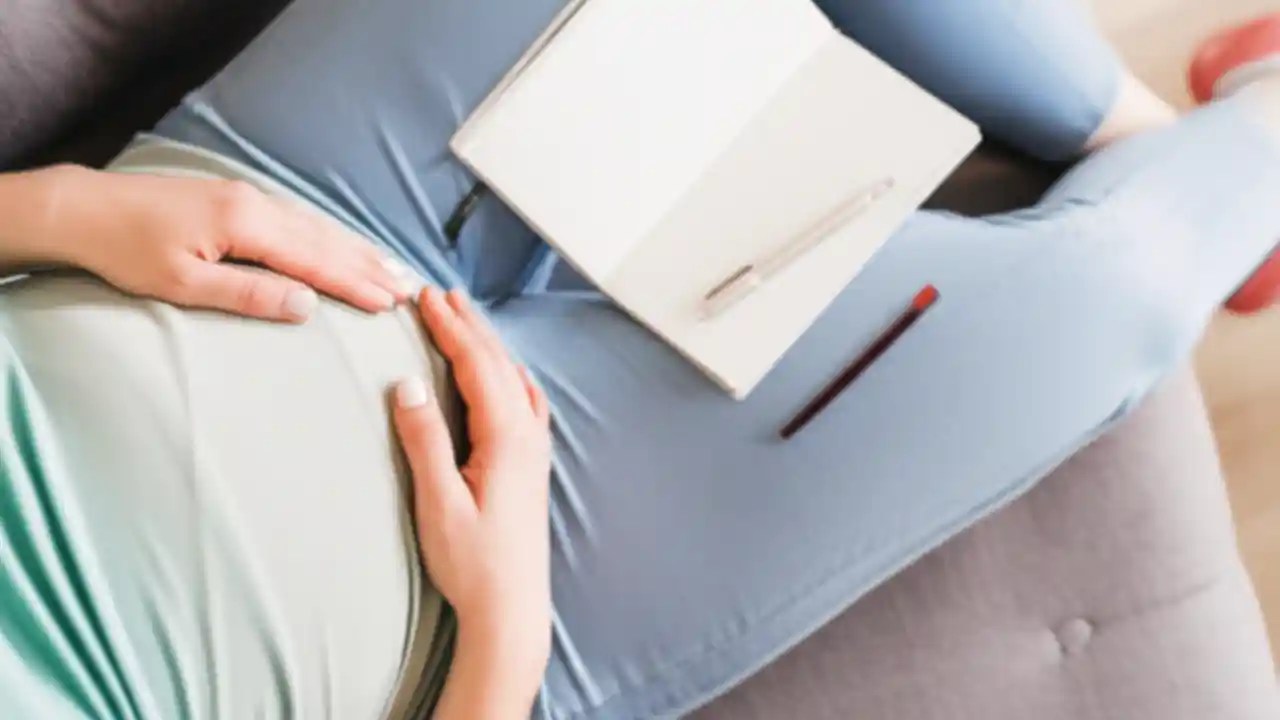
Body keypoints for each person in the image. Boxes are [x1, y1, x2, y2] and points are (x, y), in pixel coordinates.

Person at [4, 2, 1280, 718]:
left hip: (263, 193)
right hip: (504, 592)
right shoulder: (495, 624)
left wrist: (59, 210)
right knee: (1094, 306)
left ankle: (1127, 129)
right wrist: (501, 638)